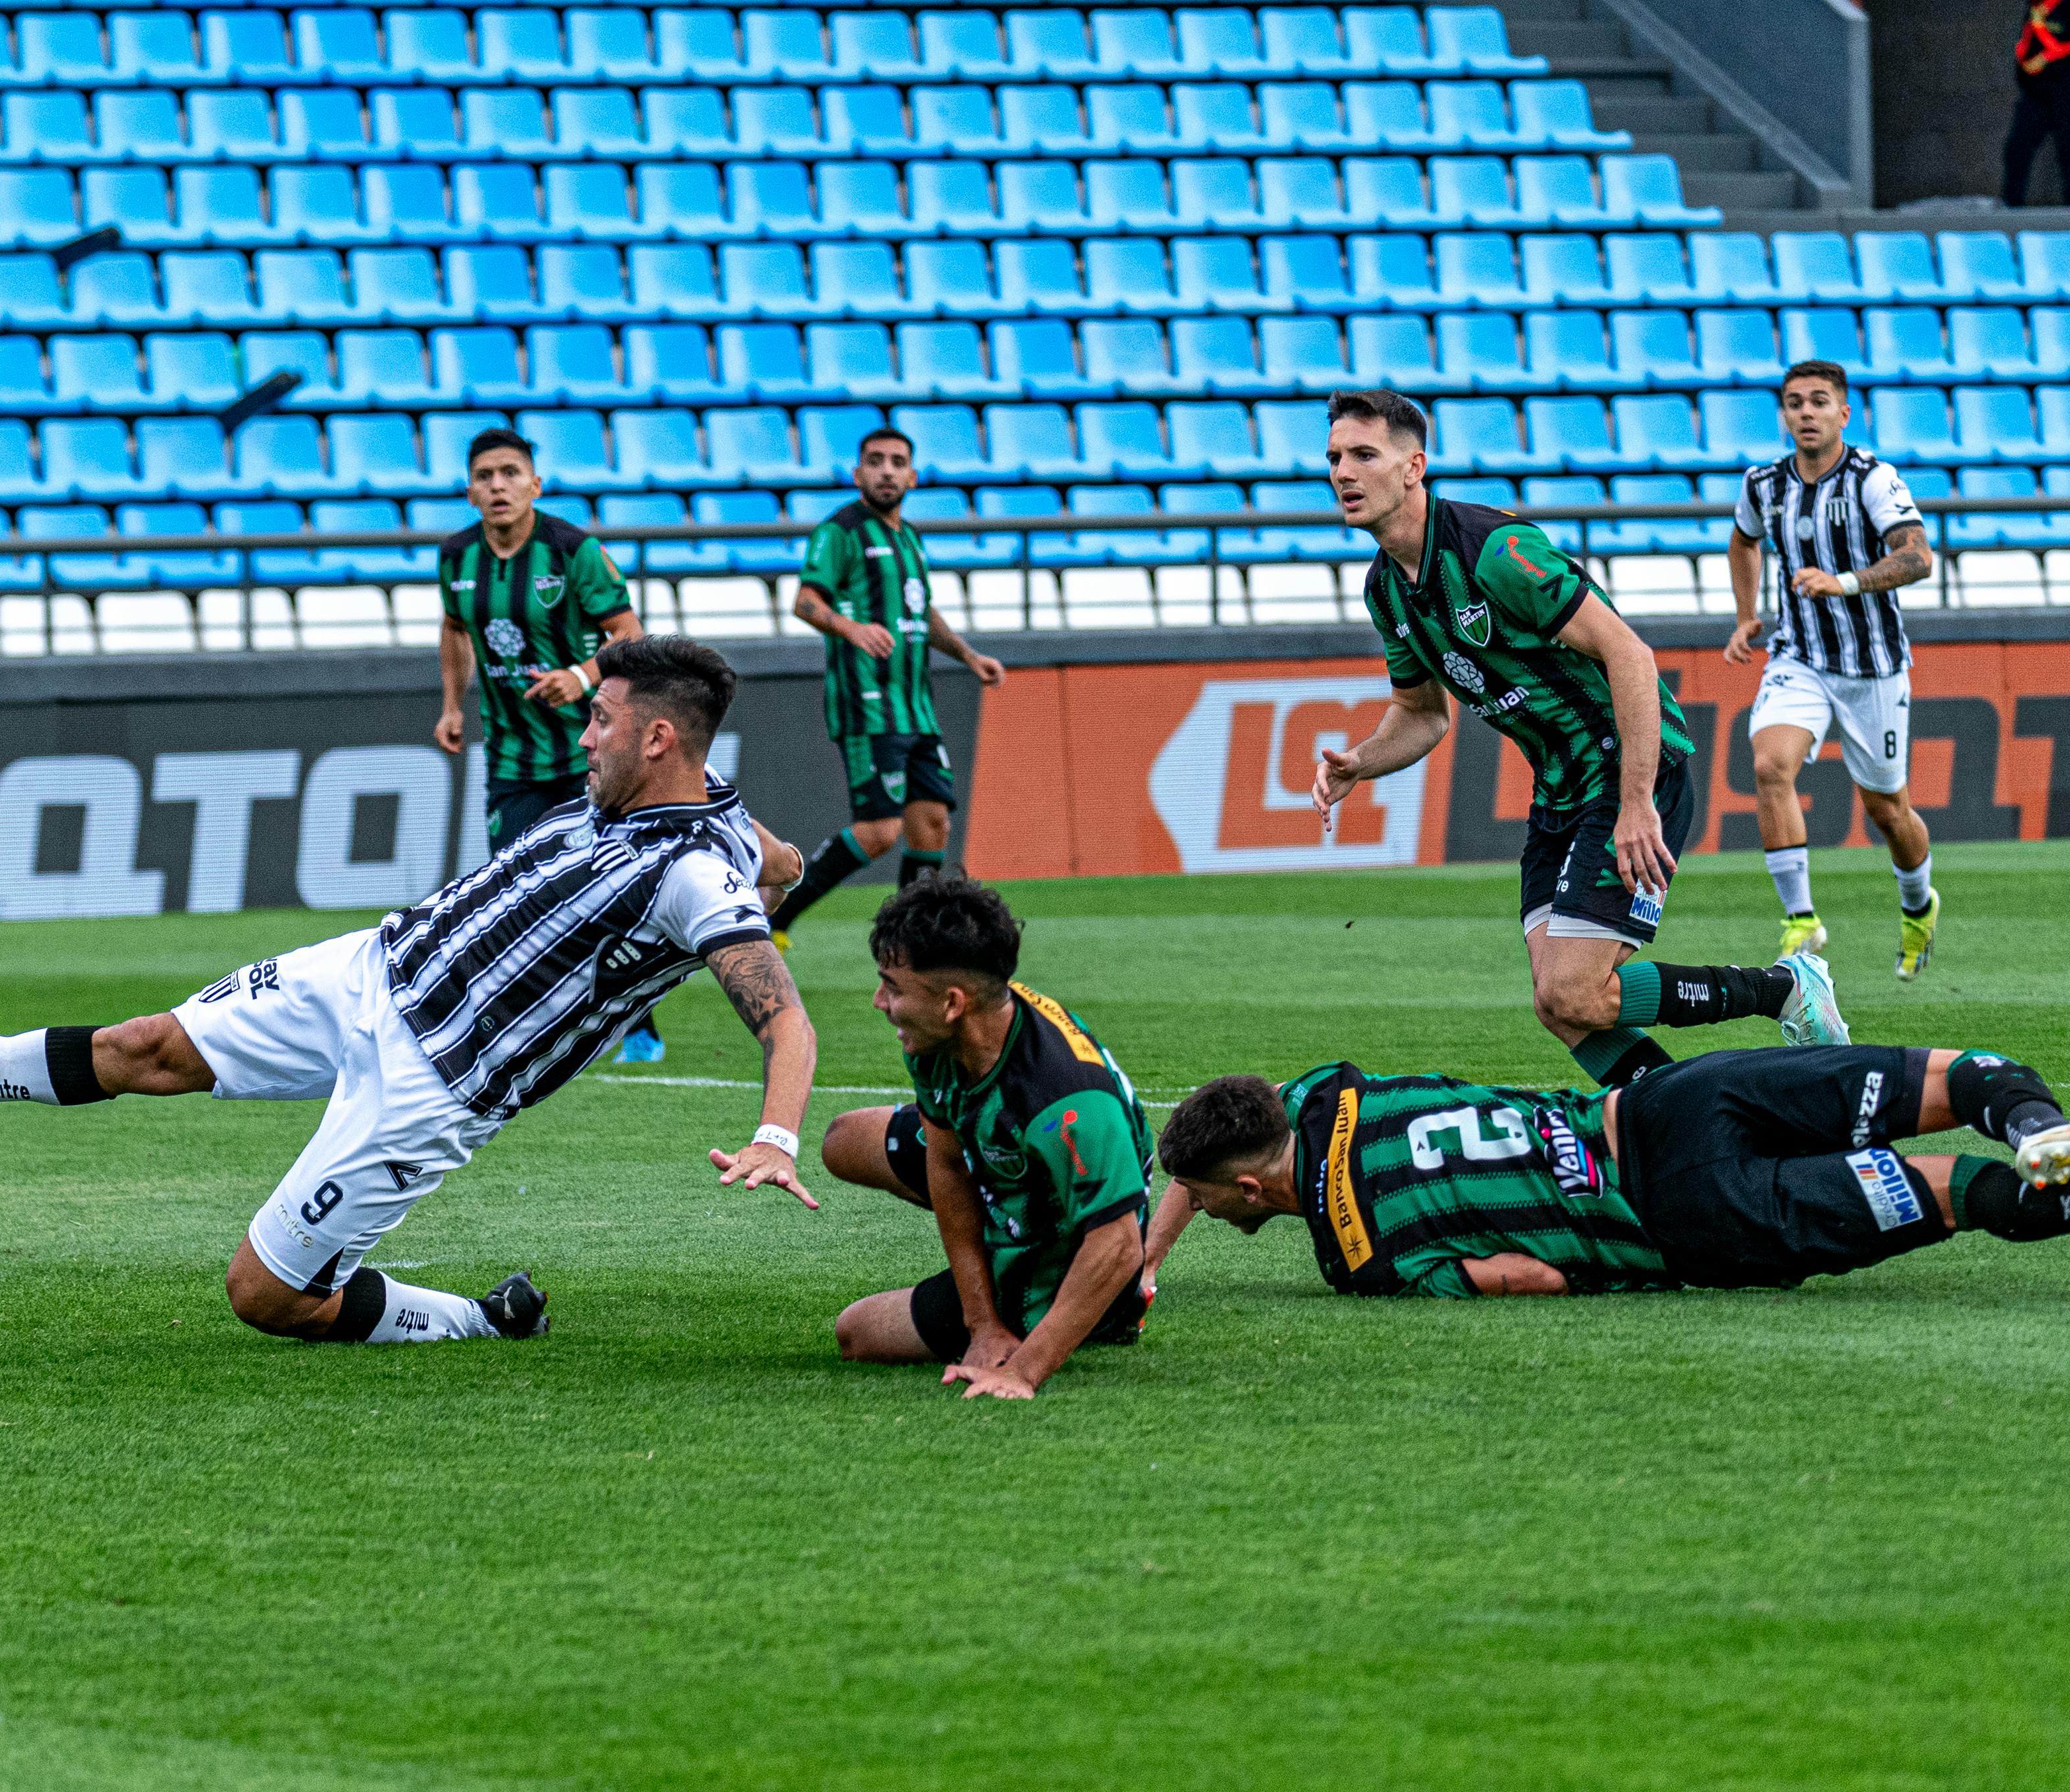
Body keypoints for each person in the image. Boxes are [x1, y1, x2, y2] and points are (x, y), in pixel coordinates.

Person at [0, 638, 818, 1347]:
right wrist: (783, 861)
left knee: (264, 1297)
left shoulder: (692, 878)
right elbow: (768, 849)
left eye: (603, 721)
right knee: (141, 1045)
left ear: (658, 738)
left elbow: (785, 1020)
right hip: (370, 971)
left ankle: (482, 1320)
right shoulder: (702, 804)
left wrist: (775, 1134)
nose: (584, 736)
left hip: (433, 1084)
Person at [1314, 388, 1847, 1089]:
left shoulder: (1496, 552)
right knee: (1559, 1005)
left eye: (1363, 455)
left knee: (1573, 989)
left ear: (1414, 467)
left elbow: (1630, 654)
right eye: (1334, 458)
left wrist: (1636, 802)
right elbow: (1422, 713)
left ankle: (1784, 988)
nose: (1343, 473)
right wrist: (1361, 761)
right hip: (1560, 792)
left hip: (1630, 773)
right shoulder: (1386, 589)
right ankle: (1668, 1117)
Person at [1156, 1047, 2070, 1300]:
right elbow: (1218, 1136)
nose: (1192, 1206)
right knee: (1957, 1079)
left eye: (1198, 1198)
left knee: (1963, 1193)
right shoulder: (1324, 1093)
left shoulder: (1364, 1257)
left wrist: (1147, 1259)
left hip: (1685, 1216)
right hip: (1667, 1106)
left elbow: (1532, 1276)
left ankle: (2039, 1181)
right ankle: (2036, 1124)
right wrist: (1149, 1255)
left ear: (1249, 1189)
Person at [824, 875, 1188, 1399]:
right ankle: (1000, 1244)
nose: (879, 1001)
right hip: (1006, 1158)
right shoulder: (940, 1038)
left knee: (856, 1333)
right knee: (842, 1140)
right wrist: (981, 1324)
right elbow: (948, 1163)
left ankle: (1096, 1313)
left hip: (1070, 1246)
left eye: (894, 988)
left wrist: (1021, 1371)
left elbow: (1120, 1245)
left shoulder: (1067, 1102)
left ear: (953, 1004)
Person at [431, 425, 667, 1064]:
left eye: (511, 473)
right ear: (470, 491)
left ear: (535, 485)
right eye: (485, 476)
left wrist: (582, 677)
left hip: (590, 754)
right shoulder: (456, 557)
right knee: (513, 895)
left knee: (604, 888)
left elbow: (630, 632)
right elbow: (454, 630)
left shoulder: (572, 551)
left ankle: (636, 1022)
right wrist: (452, 705)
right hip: (511, 755)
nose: (498, 486)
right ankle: (526, 1025)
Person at [1726, 362, 1943, 979]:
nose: (1806, 412)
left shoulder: (1873, 479)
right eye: (1795, 403)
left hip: (1872, 666)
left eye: (1819, 402)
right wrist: (1746, 615)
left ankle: (1918, 906)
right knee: (1770, 765)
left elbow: (1918, 557)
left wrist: (1842, 582)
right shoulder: (1763, 484)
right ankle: (1802, 921)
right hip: (1799, 655)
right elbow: (1743, 540)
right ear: (1784, 415)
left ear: (1843, 414)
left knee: (1888, 812)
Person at [768, 427, 1006, 949]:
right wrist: (852, 629)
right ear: (858, 474)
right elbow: (805, 601)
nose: (886, 471)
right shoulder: (841, 531)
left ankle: (911, 943)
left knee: (933, 825)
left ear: (912, 477)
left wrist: (968, 656)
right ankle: (776, 911)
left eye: (897, 462)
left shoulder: (910, 538)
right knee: (879, 831)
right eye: (875, 461)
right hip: (869, 706)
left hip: (915, 708)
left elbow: (920, 610)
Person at [2006, 0, 2070, 208]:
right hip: (2036, 89)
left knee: (2068, 150)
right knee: (2017, 147)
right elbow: (2028, 36)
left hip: (2065, 88)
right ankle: (2011, 207)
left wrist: (2046, 58)